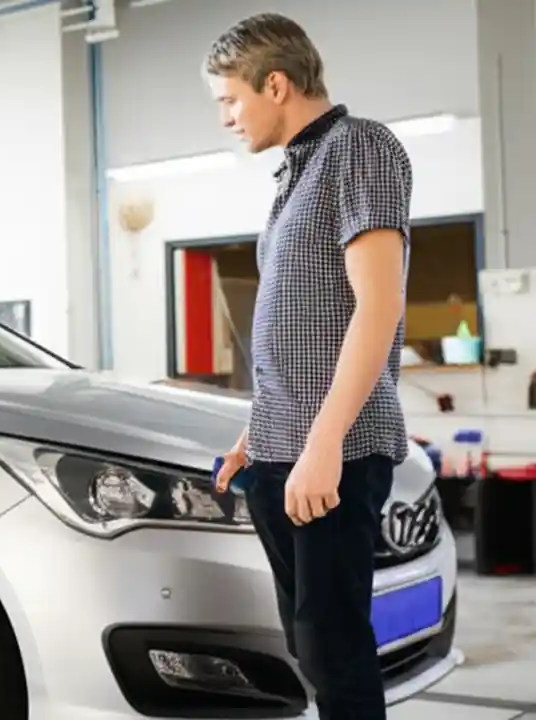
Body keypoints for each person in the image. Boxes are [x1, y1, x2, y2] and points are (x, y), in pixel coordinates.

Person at [204, 13, 412, 720]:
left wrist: (322, 445)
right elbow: (298, 330)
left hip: (336, 453)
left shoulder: (359, 147)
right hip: (283, 453)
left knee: (335, 649)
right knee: (312, 646)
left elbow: (376, 308)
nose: (226, 117)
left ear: (276, 83)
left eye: (230, 99)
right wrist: (254, 435)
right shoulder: (295, 171)